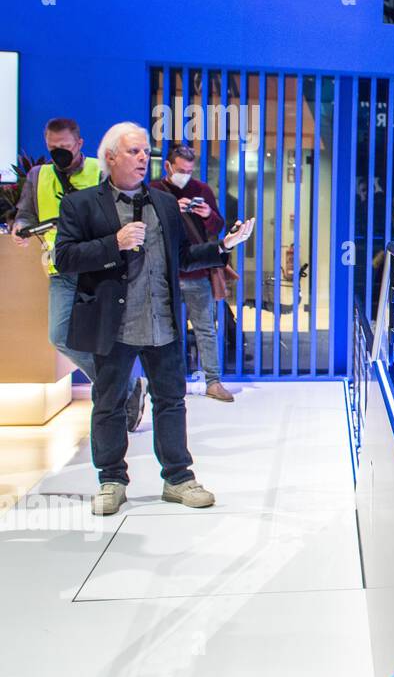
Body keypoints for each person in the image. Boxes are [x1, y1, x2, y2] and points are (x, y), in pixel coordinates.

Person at [54, 123, 255, 516]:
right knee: (109, 402)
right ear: (110, 156)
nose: (144, 158)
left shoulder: (163, 204)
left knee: (171, 400)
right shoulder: (81, 204)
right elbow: (64, 258)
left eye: (146, 152)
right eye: (134, 152)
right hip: (114, 322)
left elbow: (182, 258)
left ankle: (178, 478)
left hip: (161, 320)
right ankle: (111, 479)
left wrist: (224, 245)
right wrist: (114, 243)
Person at [11, 118, 148, 429]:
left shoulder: (100, 170)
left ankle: (118, 392)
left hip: (101, 267)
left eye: (65, 147)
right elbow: (25, 212)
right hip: (61, 267)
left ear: (80, 144)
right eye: (53, 148)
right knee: (59, 336)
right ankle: (122, 386)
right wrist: (21, 226)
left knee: (108, 337)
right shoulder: (38, 175)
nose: (59, 153)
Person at [151, 146, 235, 402]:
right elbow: (149, 227)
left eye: (189, 171)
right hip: (167, 272)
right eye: (180, 170)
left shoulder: (202, 190)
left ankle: (213, 380)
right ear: (168, 167)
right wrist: (170, 209)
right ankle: (172, 382)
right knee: (167, 331)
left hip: (197, 271)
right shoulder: (155, 190)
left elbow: (219, 226)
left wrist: (207, 213)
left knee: (206, 328)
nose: (185, 175)